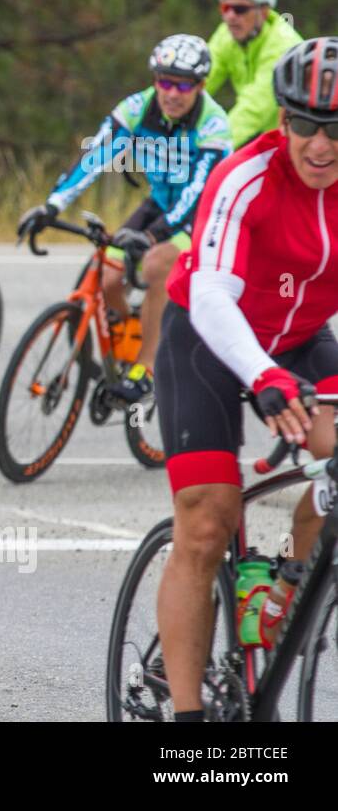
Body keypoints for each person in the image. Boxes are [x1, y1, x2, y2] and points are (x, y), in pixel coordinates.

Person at [156, 37, 338, 721]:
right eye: (303, 125)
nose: (318, 145)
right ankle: (188, 720)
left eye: (336, 129)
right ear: (281, 120)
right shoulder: (246, 175)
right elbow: (210, 292)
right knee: (207, 521)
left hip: (298, 340)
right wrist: (260, 373)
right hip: (206, 338)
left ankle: (289, 587)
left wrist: (280, 365)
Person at [17, 35, 231, 406]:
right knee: (107, 274)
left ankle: (146, 368)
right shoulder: (135, 108)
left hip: (200, 214)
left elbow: (197, 196)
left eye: (183, 85)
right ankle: (130, 338)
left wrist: (150, 237)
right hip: (158, 202)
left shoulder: (214, 124)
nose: (172, 93)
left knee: (158, 264)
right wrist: (51, 206)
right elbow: (94, 159)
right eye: (164, 81)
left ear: (201, 86)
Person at [206, 0, 303, 149]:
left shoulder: (283, 45)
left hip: (297, 140)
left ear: (264, 12)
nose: (230, 16)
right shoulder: (226, 35)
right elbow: (200, 79)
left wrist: (214, 145)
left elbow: (254, 108)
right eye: (225, 8)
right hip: (263, 135)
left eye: (240, 9)